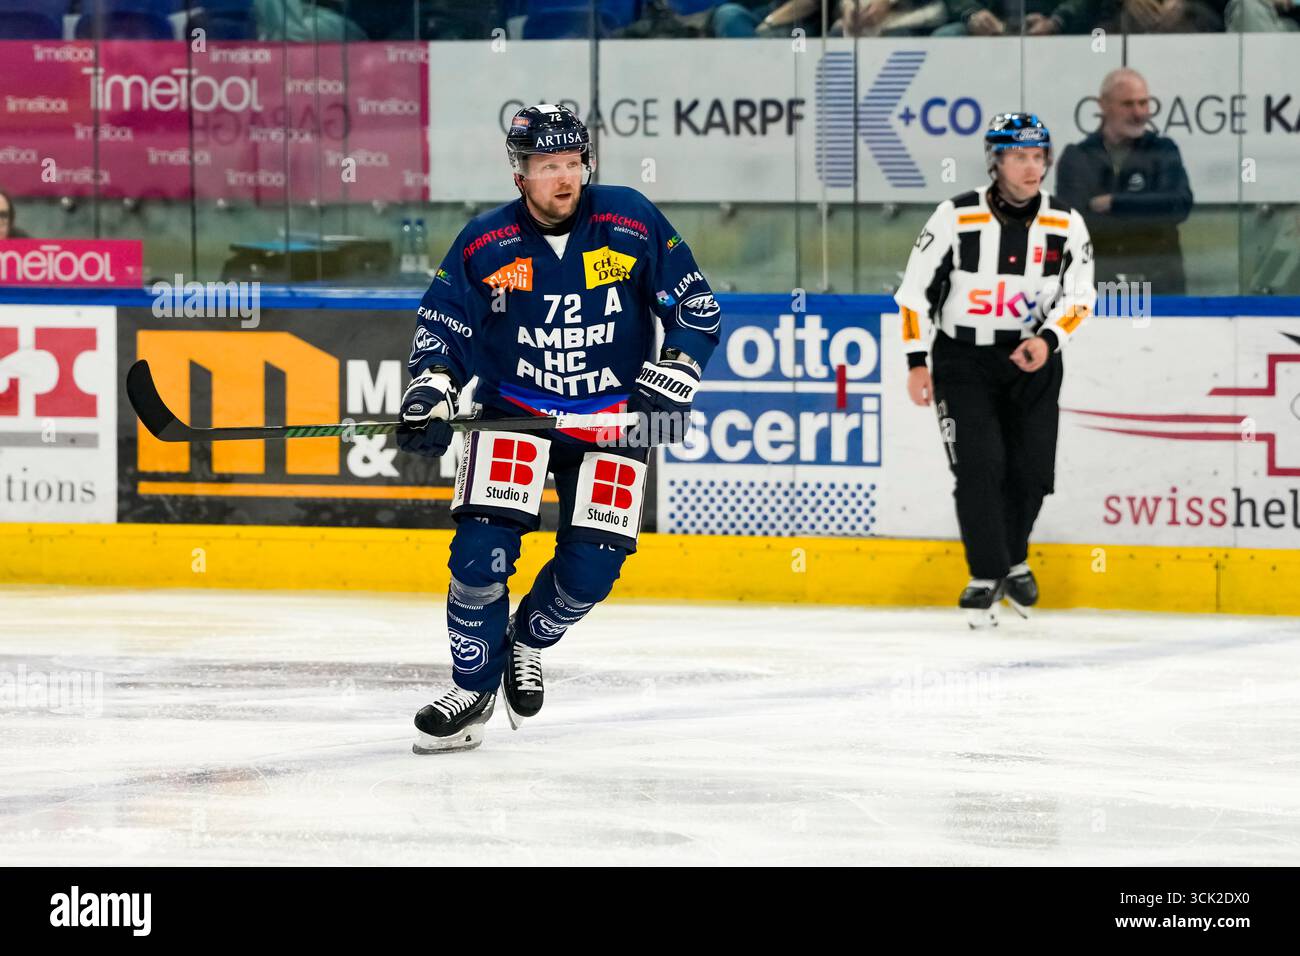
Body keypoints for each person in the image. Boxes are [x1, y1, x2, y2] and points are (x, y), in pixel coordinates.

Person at [398, 104, 721, 753]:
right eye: (548, 167)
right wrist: (431, 386)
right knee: (479, 560)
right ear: (519, 174)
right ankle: (471, 687)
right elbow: (444, 326)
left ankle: (526, 642)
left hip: (610, 418)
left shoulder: (629, 218)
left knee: (590, 572)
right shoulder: (486, 242)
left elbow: (695, 305)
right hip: (513, 414)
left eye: (573, 163)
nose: (565, 178)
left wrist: (677, 369)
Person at [894, 113, 1096, 627]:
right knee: (979, 467)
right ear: (996, 161)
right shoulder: (954, 217)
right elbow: (914, 294)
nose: (1032, 168)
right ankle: (987, 574)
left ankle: (1014, 557)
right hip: (963, 361)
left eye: (1038, 157)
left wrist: (1047, 341)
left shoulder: (1066, 223)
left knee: (1031, 473)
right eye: (1019, 157)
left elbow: (1081, 296)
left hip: (1033, 361)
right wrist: (918, 361)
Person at [1054, 68, 1193, 294]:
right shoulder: (1078, 156)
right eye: (1128, 104)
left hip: (1159, 287)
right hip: (1097, 286)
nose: (1139, 113)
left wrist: (1115, 203)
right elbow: (1075, 225)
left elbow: (1178, 206)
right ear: (1103, 105)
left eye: (1143, 103)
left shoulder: (1163, 150)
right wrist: (1148, 215)